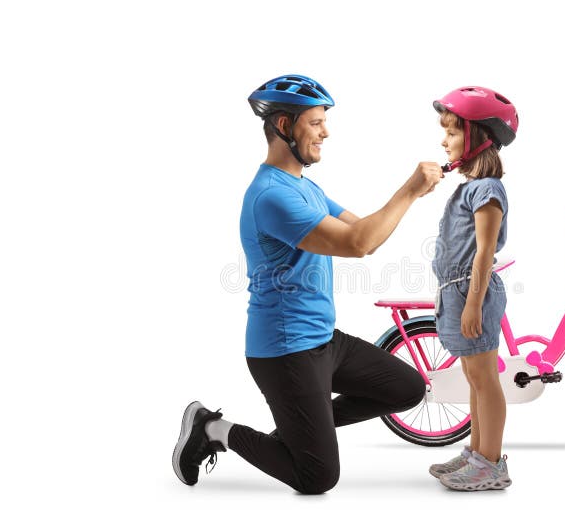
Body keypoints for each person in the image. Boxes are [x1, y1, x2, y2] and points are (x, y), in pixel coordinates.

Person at [172, 74, 444, 494]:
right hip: (285, 351)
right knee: (317, 478)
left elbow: (363, 228)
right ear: (284, 126)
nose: (325, 132)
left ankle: (303, 427)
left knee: (407, 388)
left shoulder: (303, 187)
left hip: (322, 341)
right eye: (315, 123)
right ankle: (212, 428)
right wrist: (408, 190)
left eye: (324, 122)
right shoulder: (271, 196)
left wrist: (416, 200)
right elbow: (358, 244)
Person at [427, 86, 518, 491]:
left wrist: (473, 305)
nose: (443, 140)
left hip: (473, 292)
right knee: (474, 377)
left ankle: (492, 464)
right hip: (459, 291)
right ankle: (477, 453)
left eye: (451, 132)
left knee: (485, 380)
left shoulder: (488, 190)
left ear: (477, 138)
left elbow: (484, 253)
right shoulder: (470, 188)